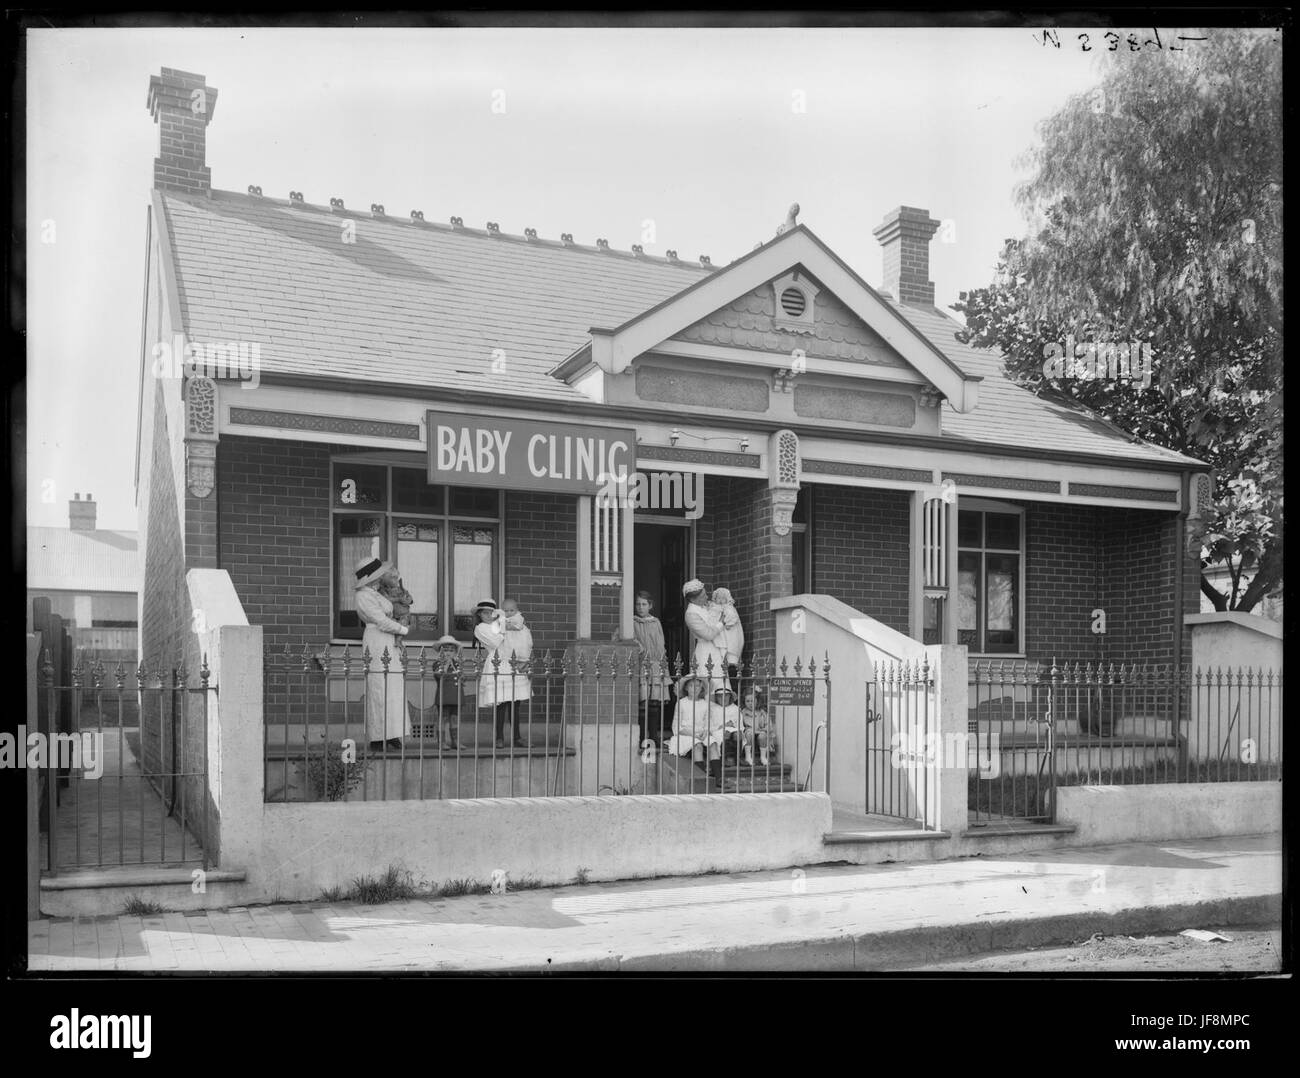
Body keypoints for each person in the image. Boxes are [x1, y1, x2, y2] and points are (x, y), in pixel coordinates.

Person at [353, 556, 411, 749]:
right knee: (379, 687)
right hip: (376, 639)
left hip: (388, 639)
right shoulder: (364, 595)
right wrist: (403, 630)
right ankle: (378, 736)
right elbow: (381, 621)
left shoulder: (376, 593)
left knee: (392, 687)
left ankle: (392, 732)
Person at [474, 598, 532, 750]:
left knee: (515, 702)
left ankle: (517, 737)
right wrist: (505, 625)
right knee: (501, 703)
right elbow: (495, 642)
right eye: (484, 613)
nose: (487, 615)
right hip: (497, 663)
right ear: (479, 615)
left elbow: (521, 635)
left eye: (490, 612)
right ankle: (499, 737)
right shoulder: (480, 628)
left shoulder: (500, 623)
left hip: (512, 661)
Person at [665, 674, 724, 774]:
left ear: (701, 688)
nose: (694, 689)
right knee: (698, 746)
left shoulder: (705, 704)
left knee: (713, 744)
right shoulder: (681, 703)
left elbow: (707, 722)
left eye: (697, 686)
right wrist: (693, 734)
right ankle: (700, 776)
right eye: (691, 686)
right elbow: (677, 726)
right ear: (686, 688)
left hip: (701, 733)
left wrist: (706, 731)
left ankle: (718, 777)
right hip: (686, 734)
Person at [632, 590, 670, 744]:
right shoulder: (632, 621)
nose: (640, 607)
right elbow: (626, 638)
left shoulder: (656, 622)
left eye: (644, 604)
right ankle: (641, 737)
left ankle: (654, 737)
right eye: (638, 604)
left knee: (654, 702)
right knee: (643, 702)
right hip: (641, 664)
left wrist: (663, 662)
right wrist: (639, 647)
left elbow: (661, 643)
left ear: (650, 606)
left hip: (656, 664)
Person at [682, 578, 729, 693]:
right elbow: (707, 634)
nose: (706, 597)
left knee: (721, 682)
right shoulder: (691, 614)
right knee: (709, 683)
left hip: (717, 649)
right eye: (703, 596)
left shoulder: (705, 606)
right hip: (705, 650)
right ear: (693, 599)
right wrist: (721, 623)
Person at [711, 586, 745, 684]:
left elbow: (732, 617)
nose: (721, 600)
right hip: (718, 633)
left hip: (727, 631)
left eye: (723, 598)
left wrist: (727, 623)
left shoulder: (728, 608)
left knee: (729, 646)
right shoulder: (713, 608)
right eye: (718, 598)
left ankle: (729, 659)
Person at [738, 687, 775, 766]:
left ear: (757, 701)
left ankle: (763, 757)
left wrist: (764, 730)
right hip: (748, 732)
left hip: (760, 731)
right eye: (747, 701)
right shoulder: (743, 713)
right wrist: (745, 729)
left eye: (752, 701)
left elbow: (769, 725)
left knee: (763, 736)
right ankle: (748, 757)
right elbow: (740, 725)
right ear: (744, 702)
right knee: (749, 733)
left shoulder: (762, 712)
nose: (750, 703)